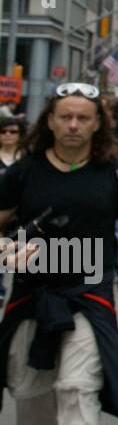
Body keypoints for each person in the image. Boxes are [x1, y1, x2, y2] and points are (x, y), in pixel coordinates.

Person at [0, 83, 118, 425]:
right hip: (32, 295)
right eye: (65, 117)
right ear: (50, 122)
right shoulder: (23, 172)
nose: (73, 124)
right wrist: (8, 250)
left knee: (78, 389)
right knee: (32, 401)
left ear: (96, 124)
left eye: (82, 118)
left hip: (89, 296)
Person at [0, 117, 21, 304]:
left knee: (18, 266)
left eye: (13, 132)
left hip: (20, 224)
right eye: (4, 131)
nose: (8, 135)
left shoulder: (25, 161)